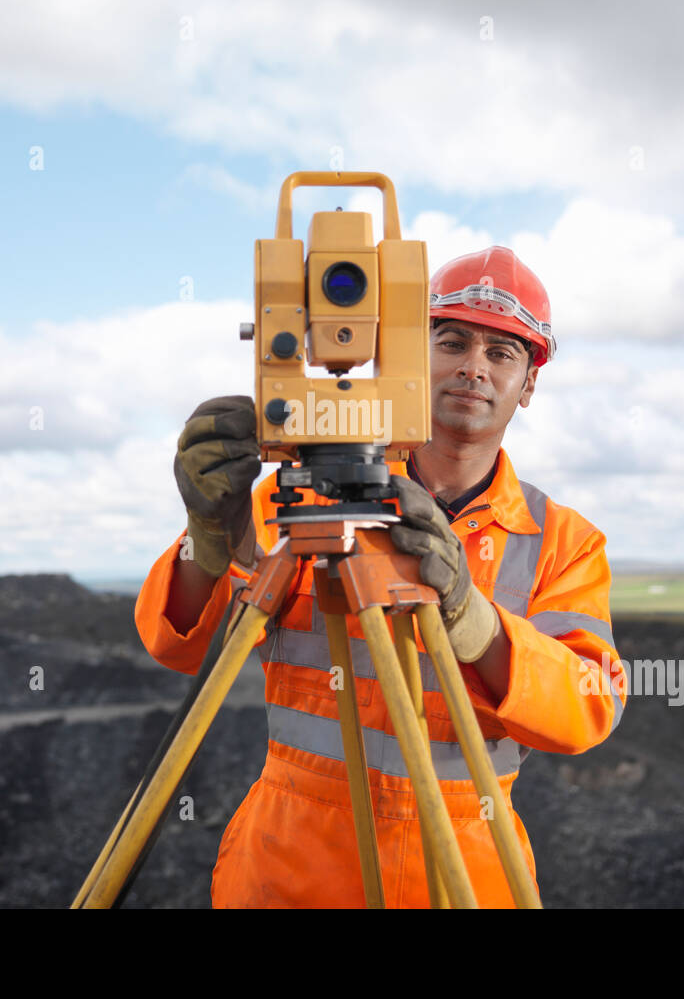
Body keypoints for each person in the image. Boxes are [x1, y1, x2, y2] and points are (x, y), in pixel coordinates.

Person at [134, 245, 626, 908]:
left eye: (501, 352)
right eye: (451, 340)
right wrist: (208, 540)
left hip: (461, 877)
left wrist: (471, 618)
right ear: (407, 356)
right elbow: (179, 646)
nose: (473, 368)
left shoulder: (562, 541)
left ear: (528, 382)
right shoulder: (302, 499)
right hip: (290, 872)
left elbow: (588, 706)